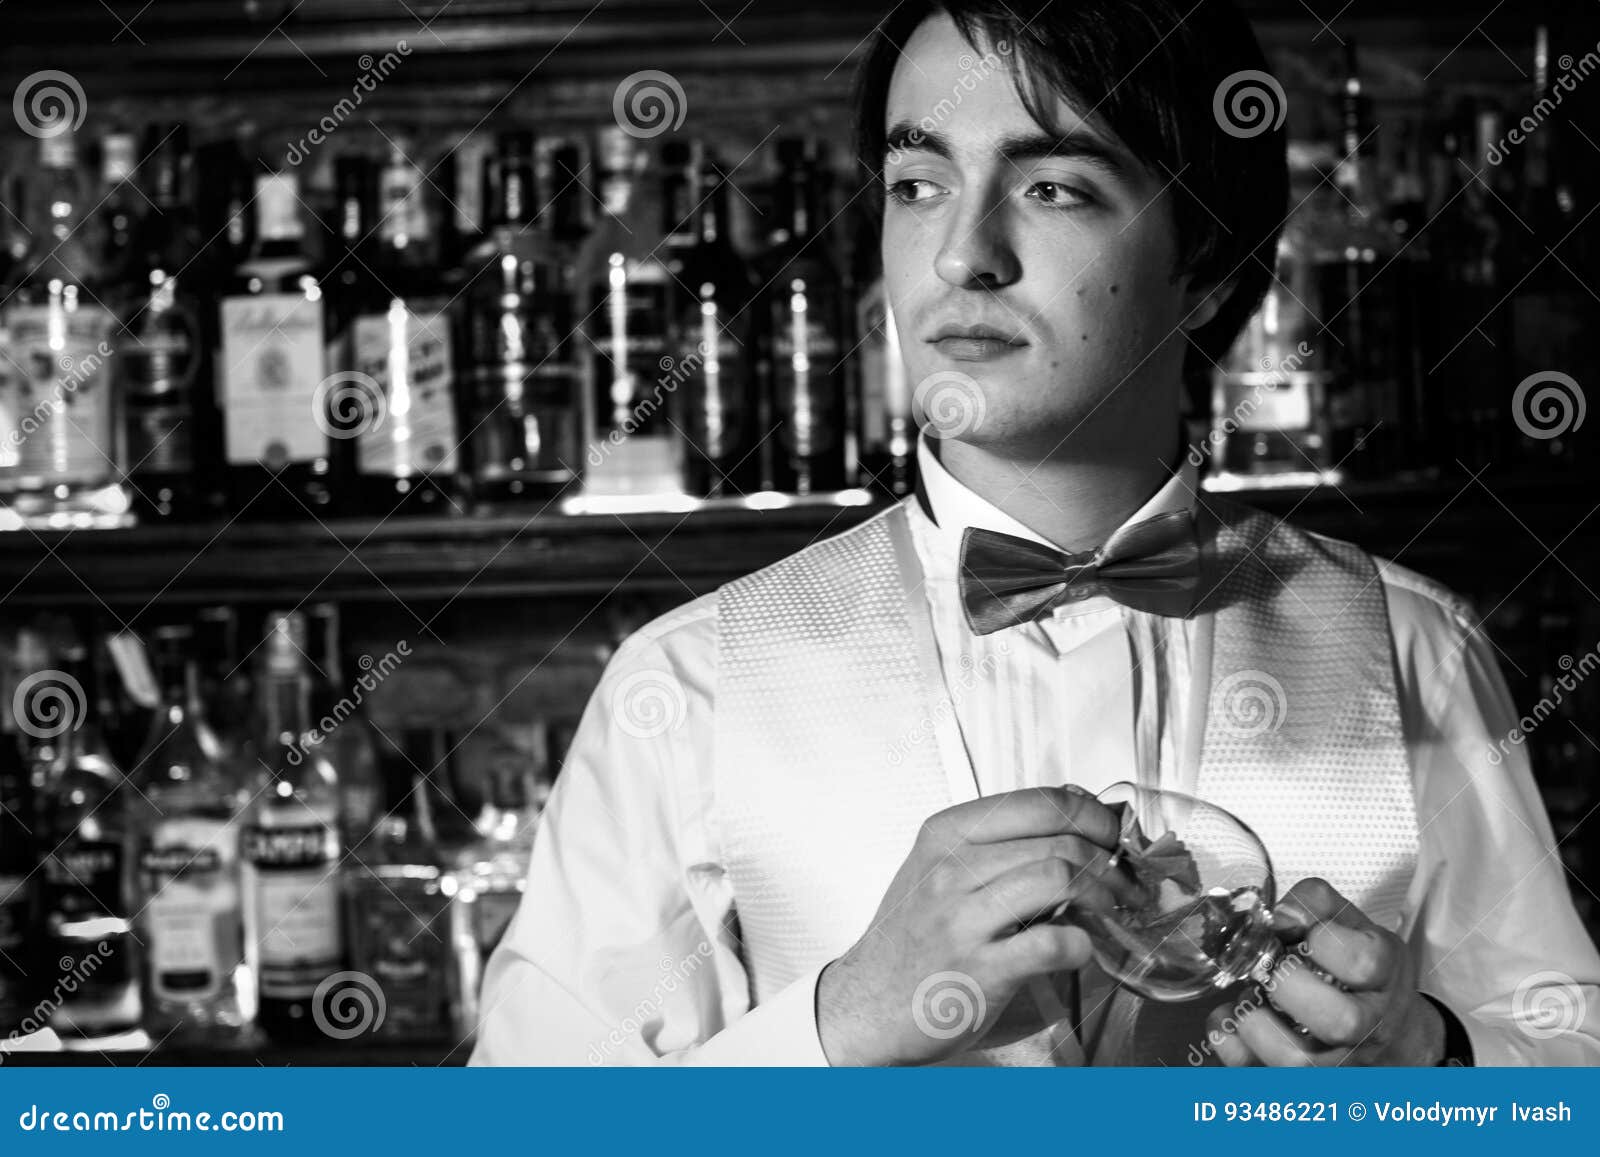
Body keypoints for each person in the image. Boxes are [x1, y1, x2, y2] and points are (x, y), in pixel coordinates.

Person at [470, 0, 1600, 1065]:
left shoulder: (1412, 648)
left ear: (1203, 268)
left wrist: (1428, 1058)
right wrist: (836, 1025)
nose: (963, 254)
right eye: (917, 183)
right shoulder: (681, 688)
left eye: (1052, 186)